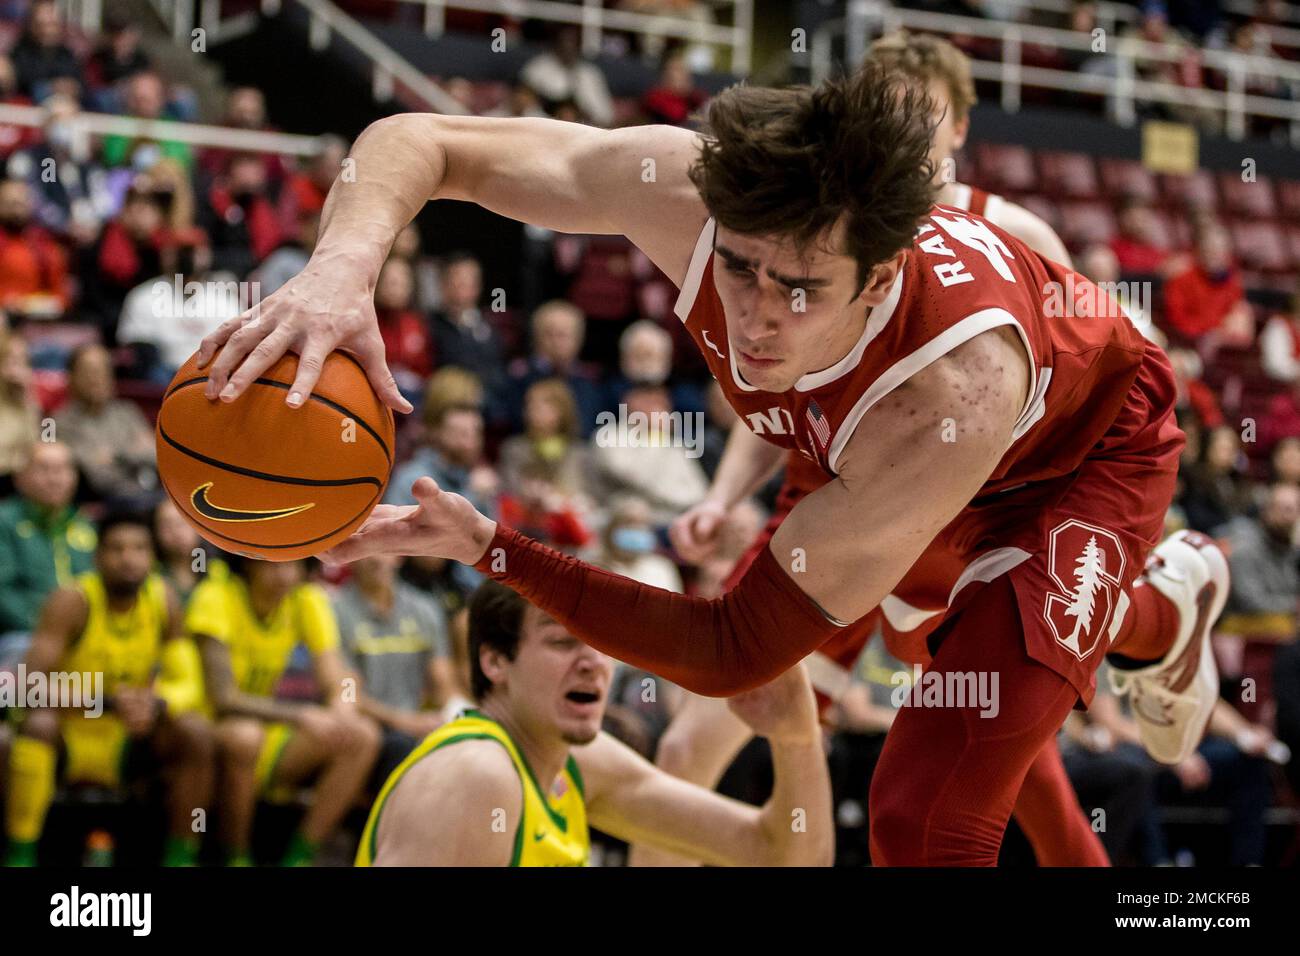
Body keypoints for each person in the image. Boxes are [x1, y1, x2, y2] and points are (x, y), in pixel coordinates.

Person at [197, 62, 1229, 865]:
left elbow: (732, 647)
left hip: (1079, 455)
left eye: (799, 290)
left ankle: (1153, 609)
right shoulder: (683, 190)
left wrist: (493, 549)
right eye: (738, 269)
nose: (754, 319)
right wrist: (340, 271)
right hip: (880, 461)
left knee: (924, 808)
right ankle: (1159, 617)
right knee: (930, 672)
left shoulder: (950, 387)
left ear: (876, 283)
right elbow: (421, 140)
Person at [355, 581, 832, 866]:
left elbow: (779, 855)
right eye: (562, 642)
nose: (593, 663)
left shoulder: (578, 763)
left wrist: (797, 739)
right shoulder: (476, 776)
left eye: (602, 642)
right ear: (495, 662)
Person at [3, 509, 210, 867]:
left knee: (196, 731)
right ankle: (20, 853)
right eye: (117, 548)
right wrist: (106, 702)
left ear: (153, 557)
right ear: (97, 556)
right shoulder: (73, 600)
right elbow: (28, 687)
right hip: (71, 735)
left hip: (130, 737)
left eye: (139, 548)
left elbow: (189, 682)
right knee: (38, 724)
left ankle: (182, 856)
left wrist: (157, 703)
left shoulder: (163, 599)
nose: (128, 558)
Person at [188, 556, 379, 866]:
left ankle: (299, 858)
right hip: (204, 728)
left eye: (292, 565)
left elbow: (336, 674)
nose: (284, 575)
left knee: (362, 736)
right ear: (248, 563)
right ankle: (235, 858)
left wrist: (342, 703)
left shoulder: (306, 598)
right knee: (245, 737)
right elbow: (223, 698)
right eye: (273, 565)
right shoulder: (216, 596)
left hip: (264, 730)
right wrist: (301, 715)